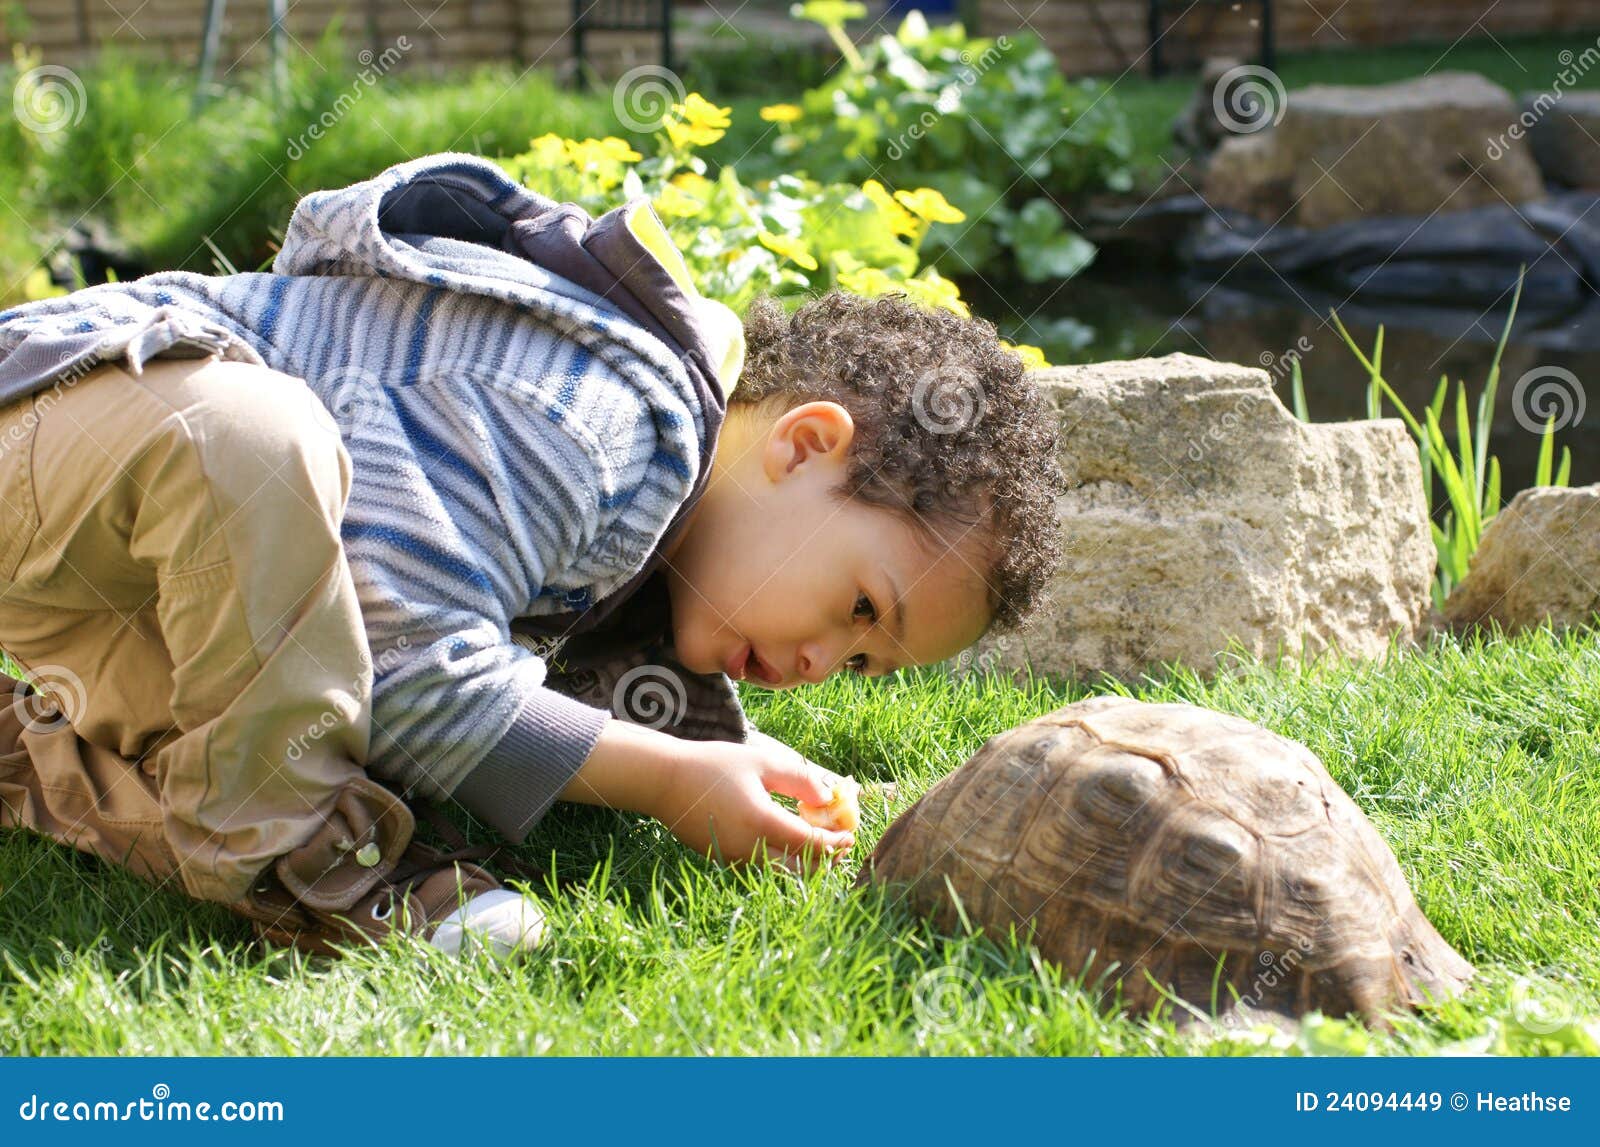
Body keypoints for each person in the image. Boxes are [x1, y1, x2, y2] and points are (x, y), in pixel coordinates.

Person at [0, 152, 1064, 960]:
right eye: (863, 608)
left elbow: (347, 665)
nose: (823, 662)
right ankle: (304, 857)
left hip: (126, 565)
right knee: (244, 433)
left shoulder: (663, 528)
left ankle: (38, 759)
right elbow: (407, 654)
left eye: (864, 664)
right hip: (60, 425)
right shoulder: (595, 425)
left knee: (286, 704)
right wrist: (666, 777)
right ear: (804, 443)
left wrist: (729, 761)